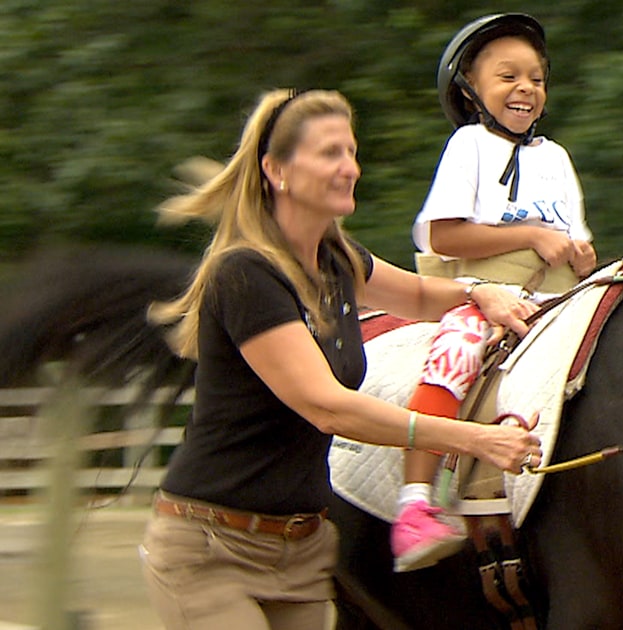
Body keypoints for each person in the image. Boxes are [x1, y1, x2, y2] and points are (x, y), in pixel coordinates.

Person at [137, 88, 544, 630]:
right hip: (213, 551)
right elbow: (328, 407)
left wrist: (480, 291)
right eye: (331, 153)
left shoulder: (334, 261)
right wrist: (477, 440)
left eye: (352, 153)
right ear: (277, 170)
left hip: (302, 554)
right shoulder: (246, 275)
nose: (350, 167)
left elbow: (420, 296)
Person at [391, 12, 597, 572]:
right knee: (456, 352)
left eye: (536, 77)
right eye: (508, 76)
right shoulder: (469, 146)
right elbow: (444, 233)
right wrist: (531, 235)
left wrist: (581, 254)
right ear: (470, 90)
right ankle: (414, 504)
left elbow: (578, 242)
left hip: (554, 295)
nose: (526, 87)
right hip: (481, 287)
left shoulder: (555, 159)